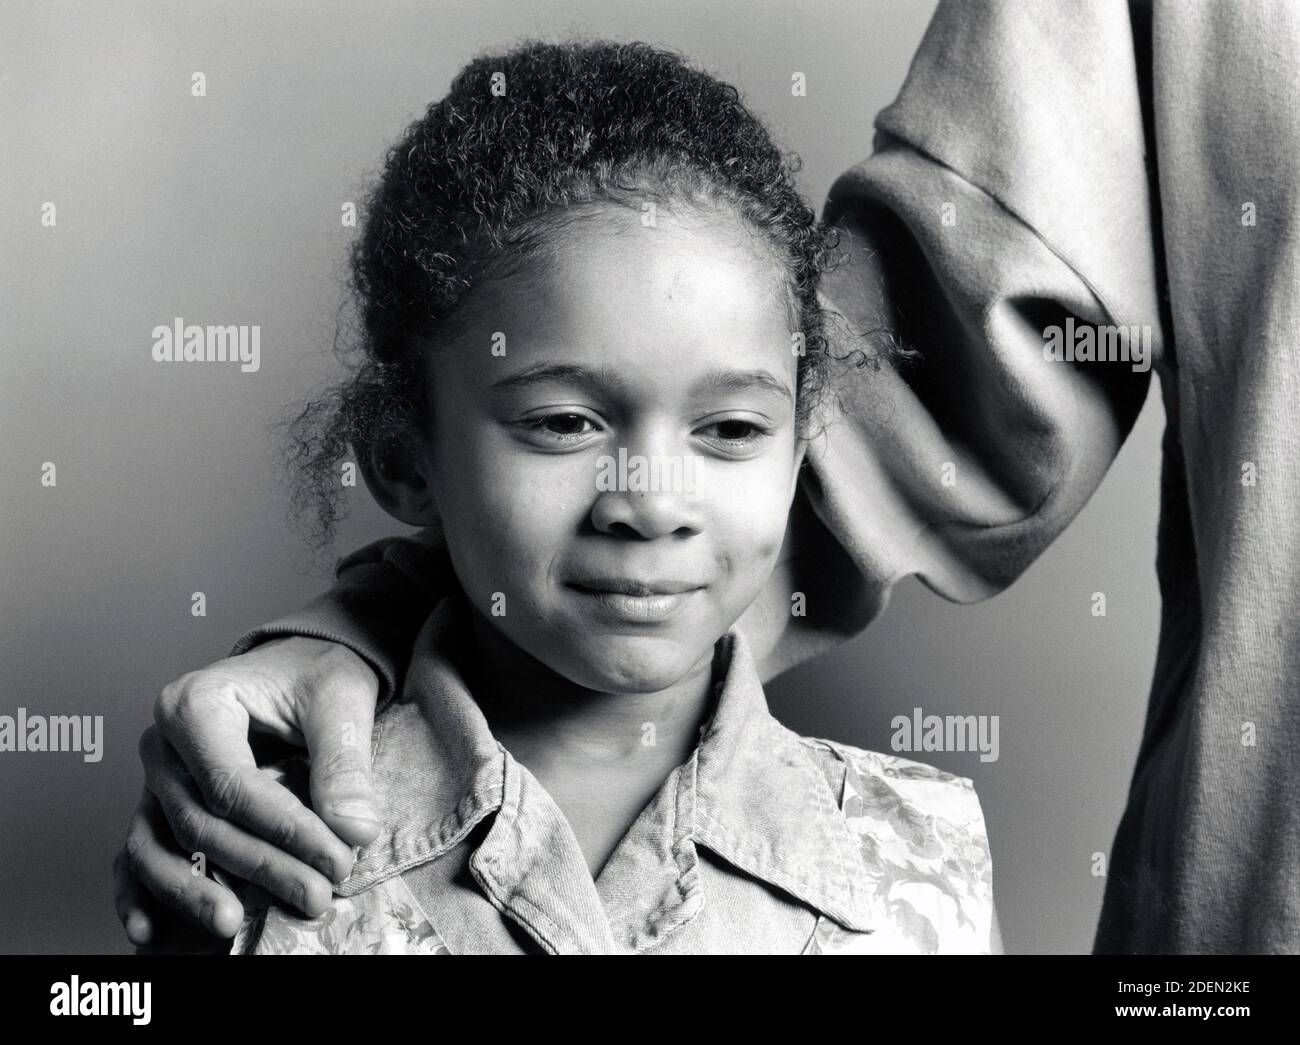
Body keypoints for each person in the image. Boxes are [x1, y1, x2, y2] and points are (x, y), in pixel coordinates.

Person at [117, 0, 1300, 954]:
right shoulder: (275, 855)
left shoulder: (915, 855)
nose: (650, 494)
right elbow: (922, 384)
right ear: (397, 457)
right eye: (570, 419)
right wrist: (355, 635)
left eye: (729, 432)